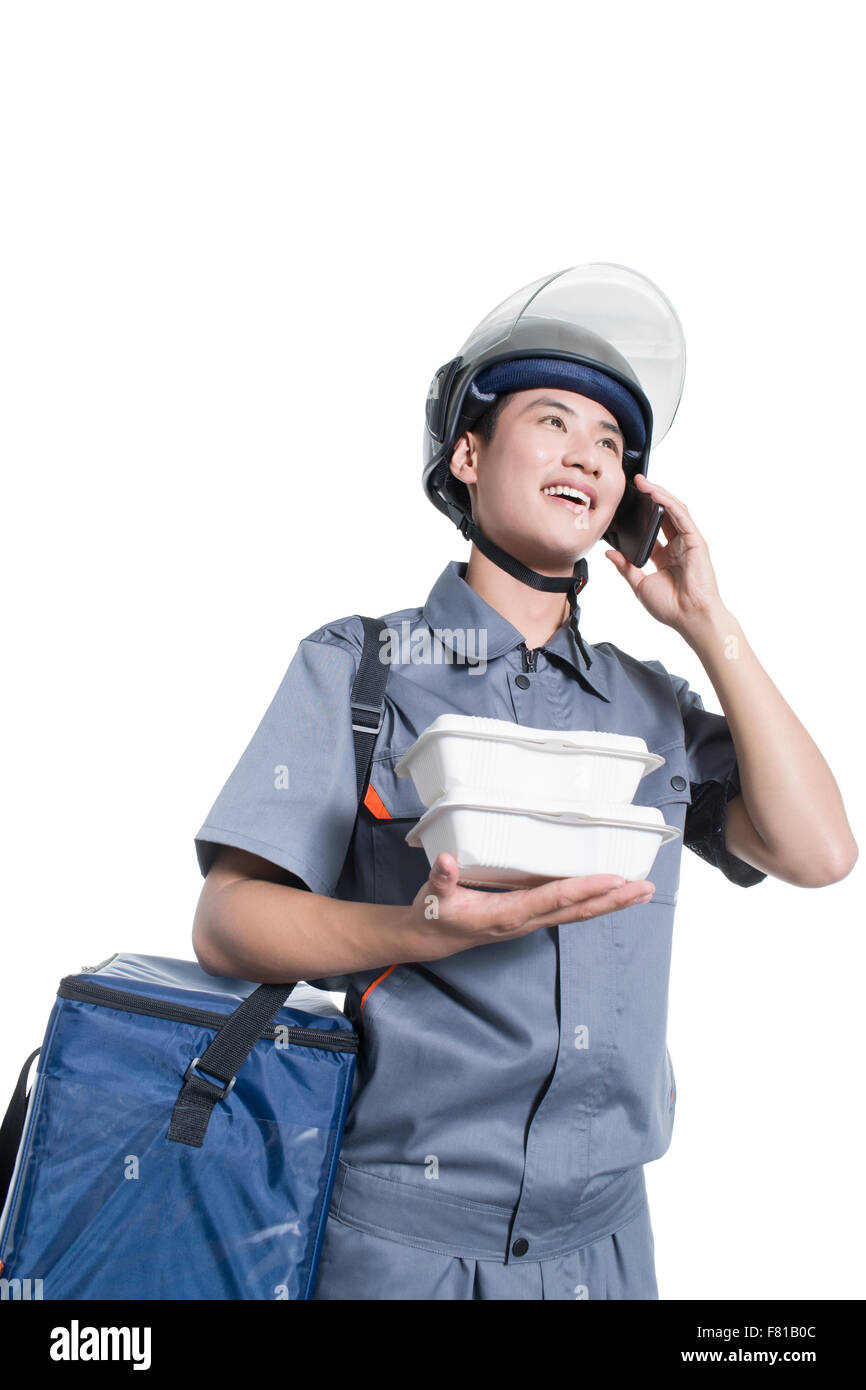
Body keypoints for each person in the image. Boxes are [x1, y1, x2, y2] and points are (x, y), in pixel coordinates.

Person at [191, 265, 858, 1300]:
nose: (585, 457)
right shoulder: (359, 668)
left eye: (609, 445)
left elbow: (819, 853)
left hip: (604, 1249)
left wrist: (706, 624)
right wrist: (420, 930)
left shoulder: (650, 705)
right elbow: (227, 921)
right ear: (467, 453)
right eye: (552, 422)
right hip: (399, 1244)